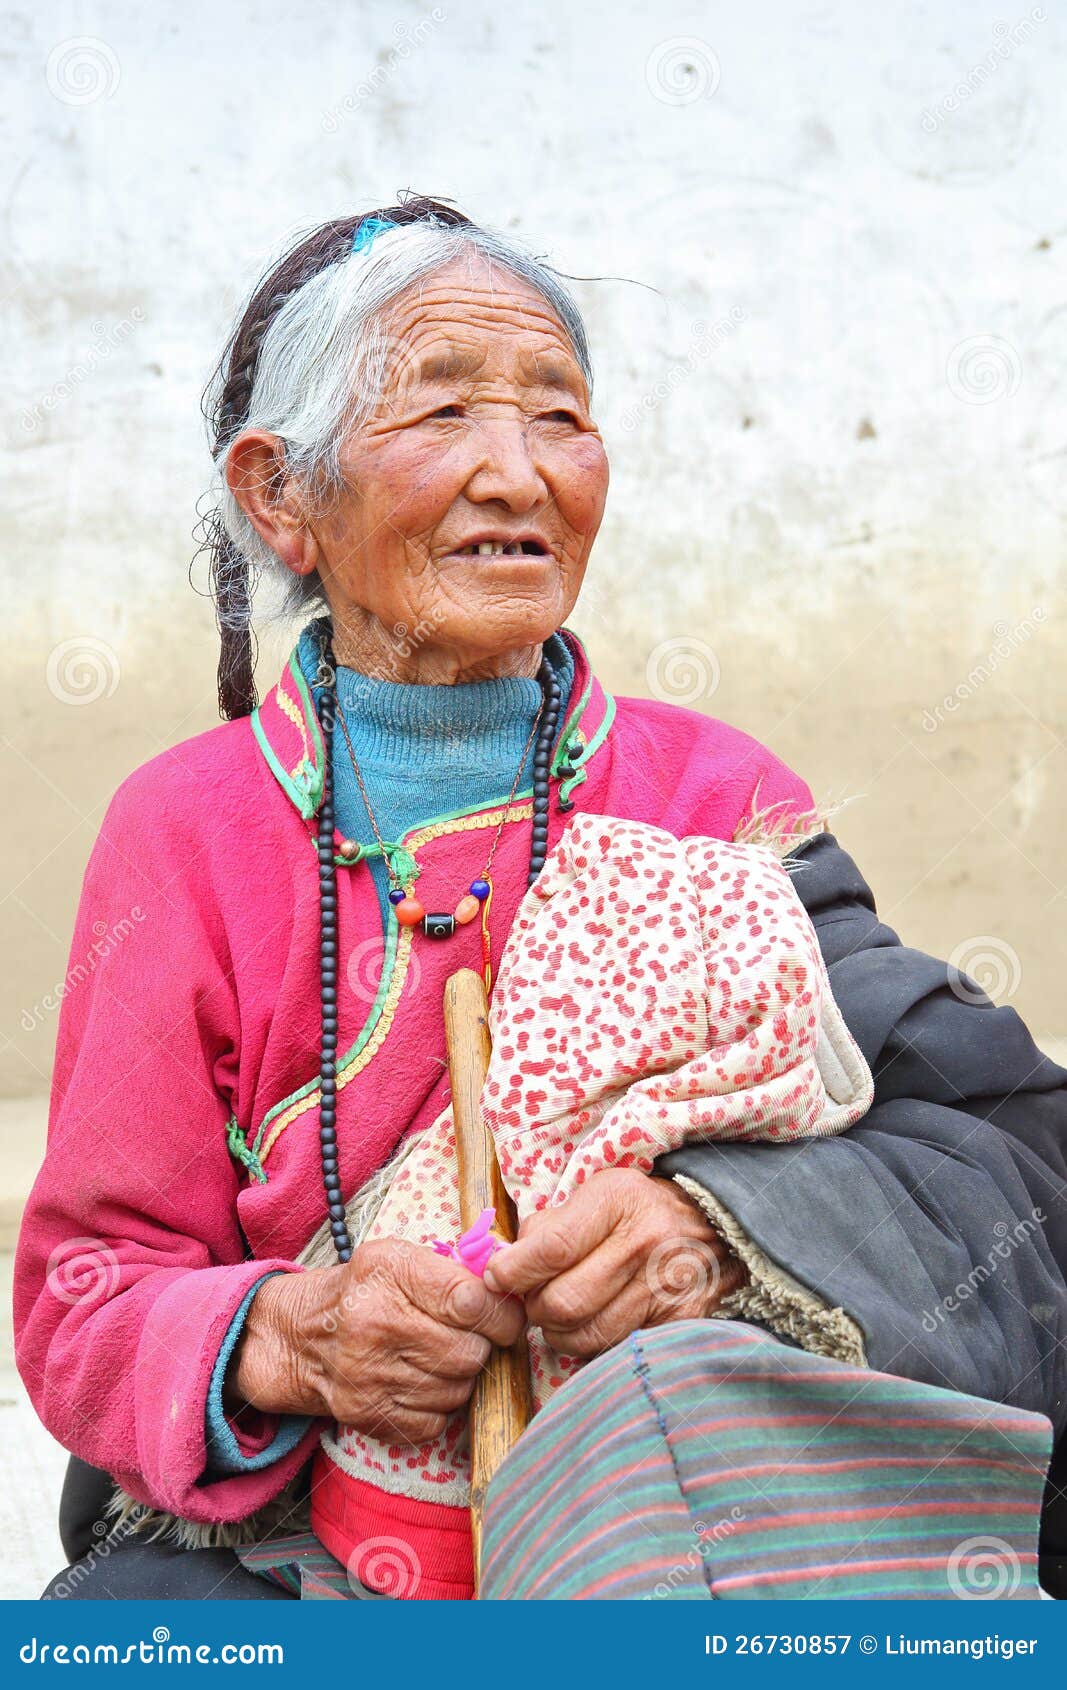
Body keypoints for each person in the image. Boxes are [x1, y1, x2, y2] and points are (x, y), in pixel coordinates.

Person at [16, 198, 1067, 1601]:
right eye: (444, 412)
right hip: (305, 1553)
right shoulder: (189, 831)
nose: (517, 472)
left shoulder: (713, 796)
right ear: (283, 496)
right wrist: (287, 1334)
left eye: (560, 417)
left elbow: (1008, 1159)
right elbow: (88, 1286)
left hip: (685, 1532)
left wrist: (718, 1236)